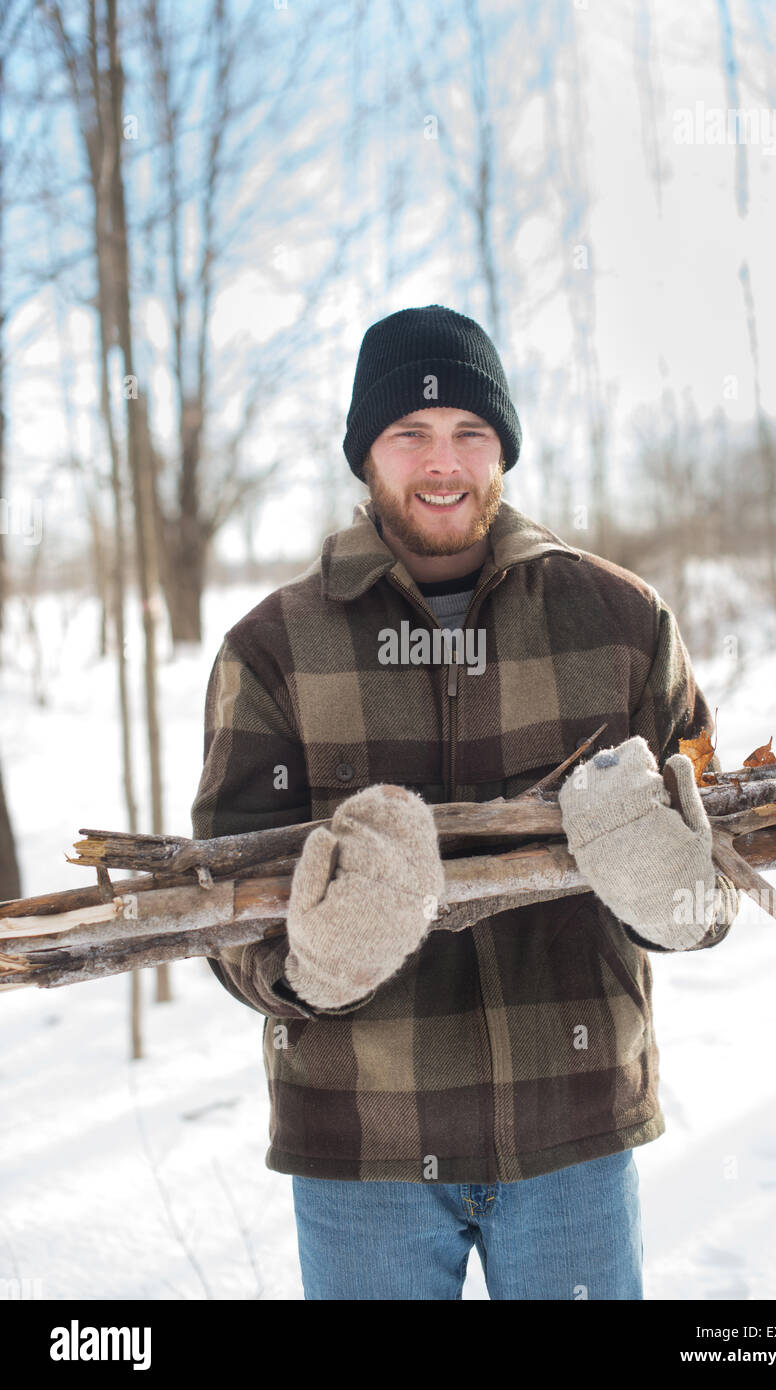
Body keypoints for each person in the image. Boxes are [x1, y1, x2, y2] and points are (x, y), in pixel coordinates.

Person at [190, 304, 739, 1300]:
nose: (442, 464)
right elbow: (221, 915)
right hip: (363, 1153)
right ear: (365, 454)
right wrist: (312, 963)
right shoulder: (270, 652)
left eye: (469, 434)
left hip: (572, 1134)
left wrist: (676, 894)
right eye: (410, 434)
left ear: (504, 449)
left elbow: (718, 874)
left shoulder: (621, 622)